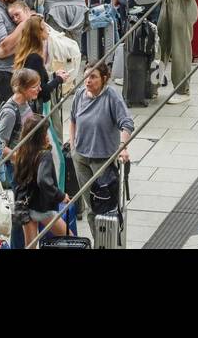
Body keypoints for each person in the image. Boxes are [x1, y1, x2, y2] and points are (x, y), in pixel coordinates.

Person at [64, 63, 134, 221]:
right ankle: (98, 243)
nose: (88, 80)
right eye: (86, 76)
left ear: (104, 79)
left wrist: (123, 147)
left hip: (103, 160)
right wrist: (73, 146)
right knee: (91, 207)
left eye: (93, 76)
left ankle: (106, 242)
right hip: (81, 157)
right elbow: (73, 120)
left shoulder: (111, 96)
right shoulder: (80, 95)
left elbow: (127, 123)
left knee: (104, 208)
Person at [13, 115, 70, 246]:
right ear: (41, 135)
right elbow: (43, 181)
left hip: (24, 206)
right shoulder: (44, 155)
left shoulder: (22, 152)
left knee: (31, 245)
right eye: (46, 132)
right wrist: (60, 196)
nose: (48, 135)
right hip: (41, 208)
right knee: (70, 240)